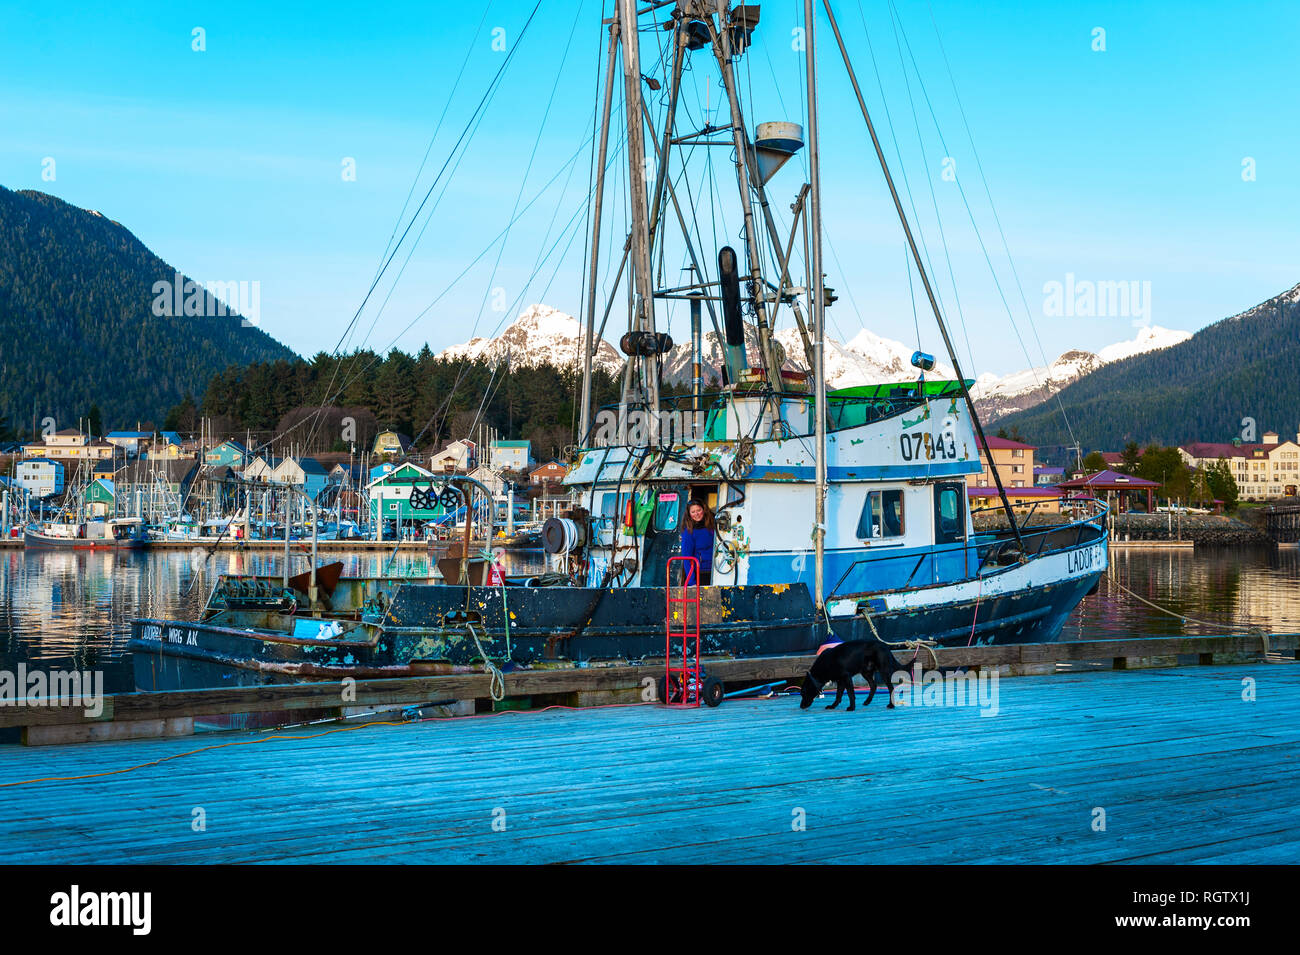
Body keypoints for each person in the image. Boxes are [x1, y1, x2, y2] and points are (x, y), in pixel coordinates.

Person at [679, 499, 715, 586]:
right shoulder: (688, 531)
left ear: (704, 510)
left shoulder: (712, 525)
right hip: (700, 572)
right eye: (693, 512)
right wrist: (692, 582)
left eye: (699, 510)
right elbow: (687, 558)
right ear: (689, 514)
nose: (697, 514)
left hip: (717, 569)